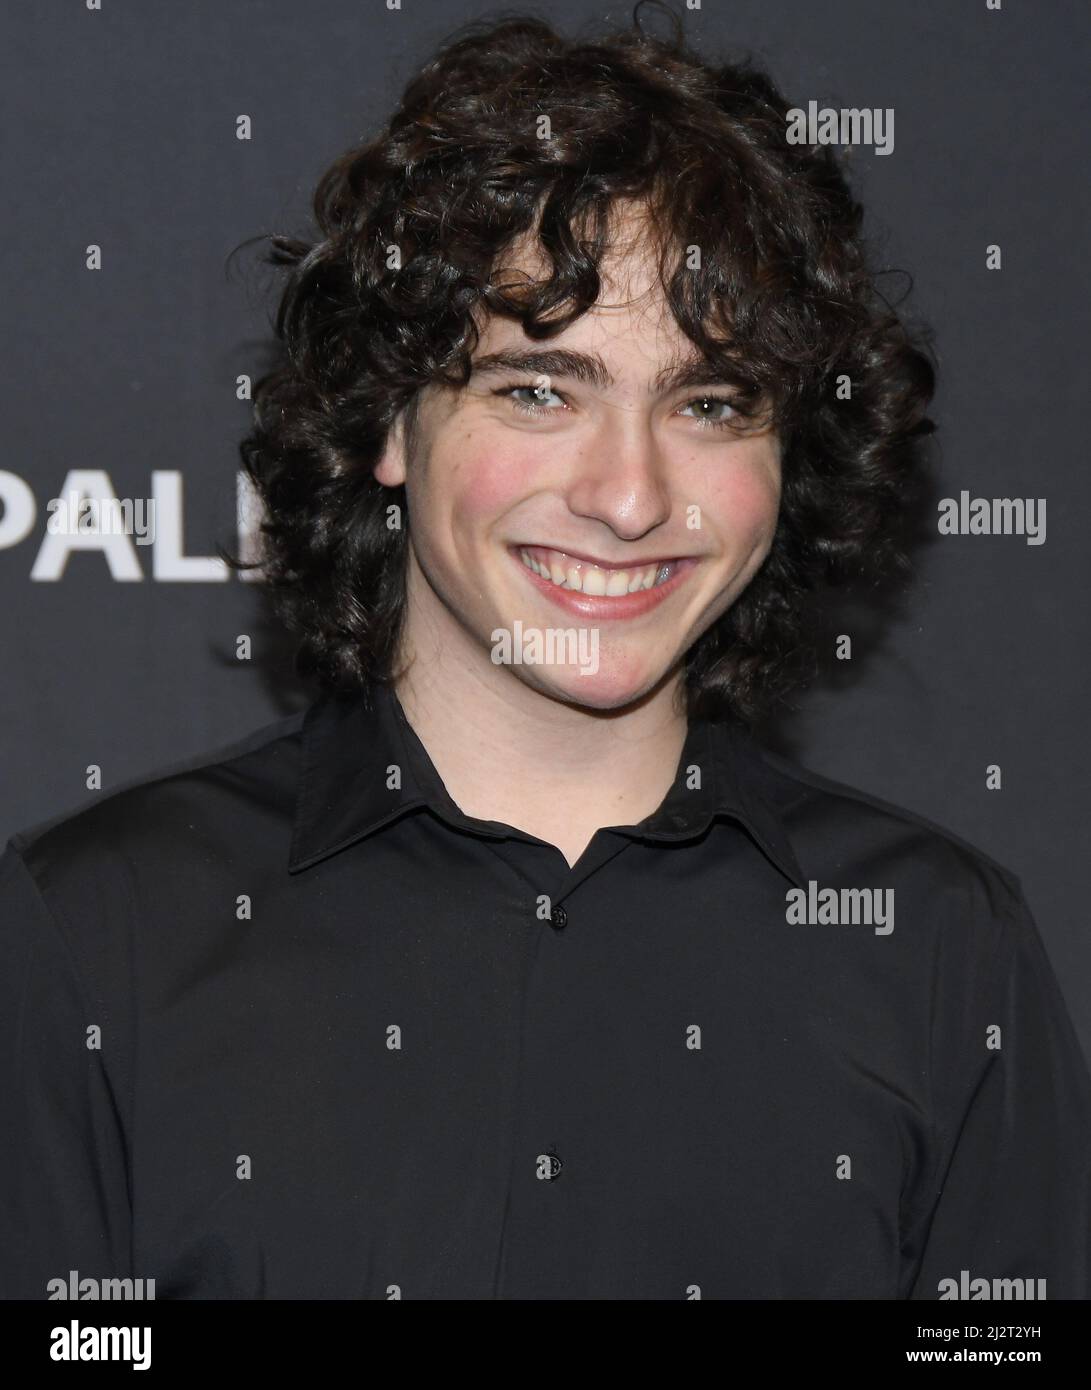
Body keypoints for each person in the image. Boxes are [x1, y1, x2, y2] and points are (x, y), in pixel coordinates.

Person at [2, 6, 1089, 1301]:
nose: (629, 494)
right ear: (389, 426)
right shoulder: (96, 928)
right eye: (538, 388)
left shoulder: (939, 944)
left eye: (710, 402)